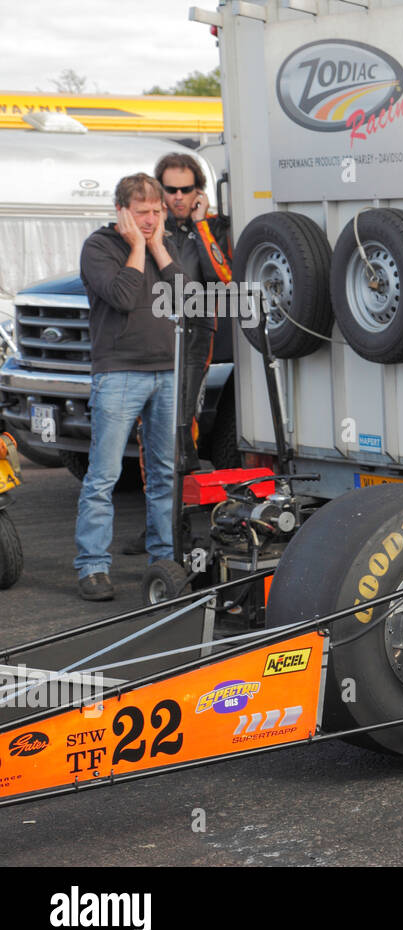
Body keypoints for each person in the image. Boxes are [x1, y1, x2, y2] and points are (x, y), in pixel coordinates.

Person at [75, 173, 191, 600]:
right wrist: (139, 247)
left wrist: (157, 247)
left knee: (164, 475)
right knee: (103, 477)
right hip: (119, 372)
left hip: (166, 371)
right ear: (121, 211)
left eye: (156, 212)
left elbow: (186, 299)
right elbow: (123, 296)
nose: (151, 220)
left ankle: (164, 561)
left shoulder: (164, 245)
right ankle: (92, 566)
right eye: (142, 212)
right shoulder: (100, 247)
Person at [154, 152, 231, 474]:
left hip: (197, 330)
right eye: (171, 190)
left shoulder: (214, 226)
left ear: (198, 191)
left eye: (186, 189)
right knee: (155, 420)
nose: (178, 197)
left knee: (184, 417)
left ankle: (183, 486)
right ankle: (161, 498)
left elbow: (222, 277)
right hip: (154, 329)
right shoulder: (152, 226)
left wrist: (200, 225)